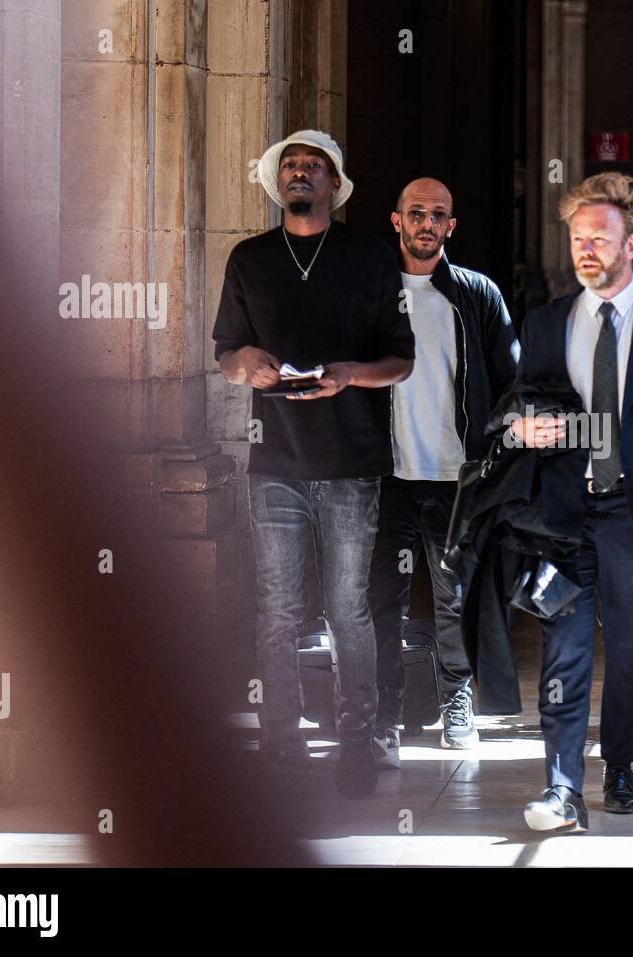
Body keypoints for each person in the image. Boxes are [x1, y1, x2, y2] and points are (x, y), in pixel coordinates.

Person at [508, 173, 633, 831]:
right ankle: (562, 787)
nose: (585, 249)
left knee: (629, 653)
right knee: (563, 650)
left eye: (599, 237)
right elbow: (515, 408)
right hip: (563, 515)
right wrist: (521, 429)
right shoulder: (544, 324)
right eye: (576, 238)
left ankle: (620, 762)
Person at [211, 130, 415, 798]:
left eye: (314, 165)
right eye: (290, 165)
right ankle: (280, 745)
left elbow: (401, 359)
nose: (300, 172)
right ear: (278, 182)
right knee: (276, 607)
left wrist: (352, 373)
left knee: (346, 607)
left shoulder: (370, 257)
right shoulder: (249, 258)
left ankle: (356, 744)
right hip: (274, 459)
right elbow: (227, 351)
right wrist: (249, 366)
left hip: (352, 459)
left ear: (334, 183)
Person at [367, 178, 518, 762]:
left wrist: (500, 454)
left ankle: (458, 700)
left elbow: (510, 379)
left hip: (458, 476)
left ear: (451, 226)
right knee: (382, 597)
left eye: (438, 215)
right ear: (396, 220)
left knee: (456, 596)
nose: (426, 223)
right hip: (385, 475)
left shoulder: (476, 294)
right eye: (415, 213)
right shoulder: (373, 290)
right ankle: (386, 707)